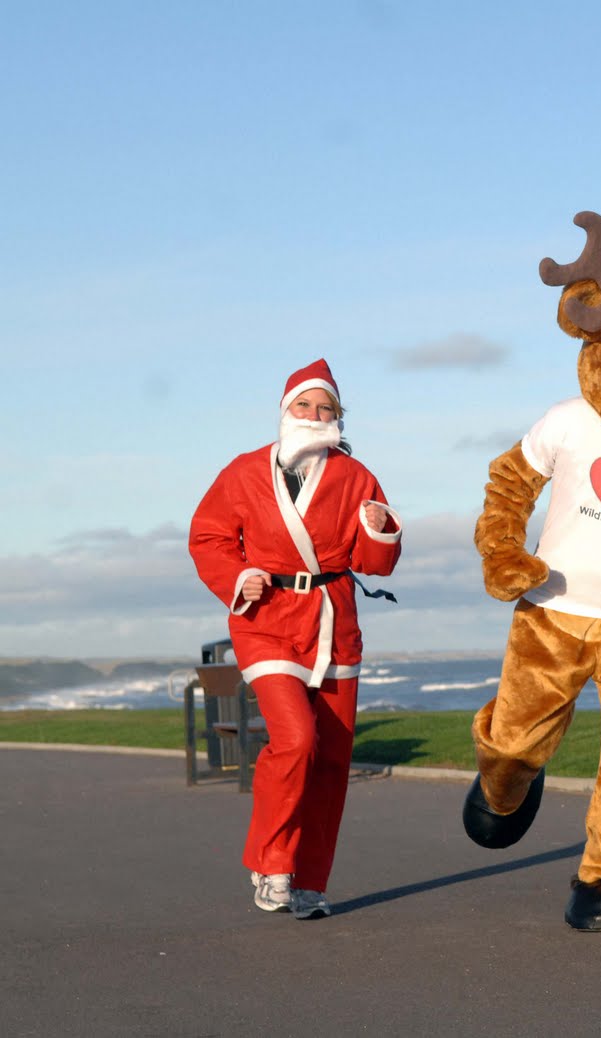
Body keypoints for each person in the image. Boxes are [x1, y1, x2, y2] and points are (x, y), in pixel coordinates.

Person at [189, 359, 401, 920]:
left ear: (337, 418)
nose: (314, 415)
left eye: (325, 407)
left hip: (334, 623)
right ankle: (271, 862)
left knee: (331, 759)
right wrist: (238, 576)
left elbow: (373, 564)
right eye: (304, 406)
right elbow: (208, 537)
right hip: (267, 620)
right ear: (286, 412)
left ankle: (309, 882)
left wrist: (380, 530)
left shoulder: (356, 478)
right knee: (296, 739)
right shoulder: (242, 472)